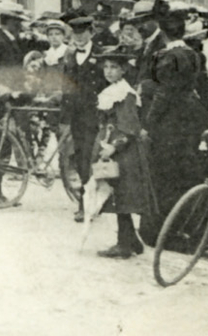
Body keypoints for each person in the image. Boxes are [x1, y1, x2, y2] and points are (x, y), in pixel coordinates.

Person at [132, 0, 208, 251]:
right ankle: (188, 230)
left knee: (166, 175)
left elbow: (164, 94)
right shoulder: (193, 54)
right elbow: (204, 88)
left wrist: (147, 124)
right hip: (191, 120)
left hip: (170, 124)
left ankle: (165, 232)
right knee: (187, 174)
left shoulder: (169, 56)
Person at [92, 51, 154, 258]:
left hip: (122, 152)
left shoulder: (124, 94)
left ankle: (124, 244)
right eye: (106, 67)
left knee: (120, 195)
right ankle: (131, 240)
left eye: (114, 67)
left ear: (123, 70)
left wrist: (114, 147)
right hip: (111, 145)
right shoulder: (112, 91)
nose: (108, 72)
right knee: (117, 194)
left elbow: (129, 127)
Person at [59, 15, 104, 221]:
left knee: (94, 159)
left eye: (82, 33)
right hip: (77, 116)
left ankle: (91, 204)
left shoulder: (101, 54)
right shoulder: (69, 55)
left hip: (97, 115)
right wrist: (64, 118)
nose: (78, 38)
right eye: (74, 34)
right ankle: (85, 203)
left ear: (91, 33)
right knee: (80, 159)